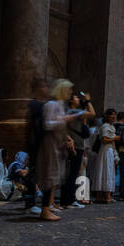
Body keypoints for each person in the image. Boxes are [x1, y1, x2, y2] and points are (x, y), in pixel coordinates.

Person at [39, 79, 89, 221]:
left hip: (57, 142)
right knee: (50, 175)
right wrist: (65, 119)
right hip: (50, 142)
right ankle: (45, 209)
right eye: (68, 90)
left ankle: (48, 206)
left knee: (55, 175)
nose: (70, 93)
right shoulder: (52, 104)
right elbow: (47, 124)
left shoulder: (58, 105)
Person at [62, 90, 94, 208]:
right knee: (72, 174)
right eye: (76, 97)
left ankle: (69, 200)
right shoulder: (73, 111)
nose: (78, 99)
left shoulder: (72, 112)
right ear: (71, 100)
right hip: (76, 146)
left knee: (72, 174)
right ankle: (68, 201)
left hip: (77, 145)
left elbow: (84, 124)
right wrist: (88, 100)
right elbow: (92, 113)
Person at [23, 77, 49, 213]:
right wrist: (29, 143)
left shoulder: (43, 104)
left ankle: (42, 203)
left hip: (42, 143)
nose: (46, 89)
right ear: (38, 88)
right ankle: (30, 203)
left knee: (40, 173)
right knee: (33, 173)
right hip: (36, 143)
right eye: (44, 86)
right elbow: (30, 125)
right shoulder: (34, 104)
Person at [89, 109, 118, 203]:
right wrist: (115, 138)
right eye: (112, 115)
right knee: (105, 171)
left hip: (109, 150)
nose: (114, 117)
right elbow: (104, 140)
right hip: (105, 150)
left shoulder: (111, 126)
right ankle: (105, 196)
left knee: (106, 171)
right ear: (107, 116)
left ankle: (103, 196)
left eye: (115, 115)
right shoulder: (105, 126)